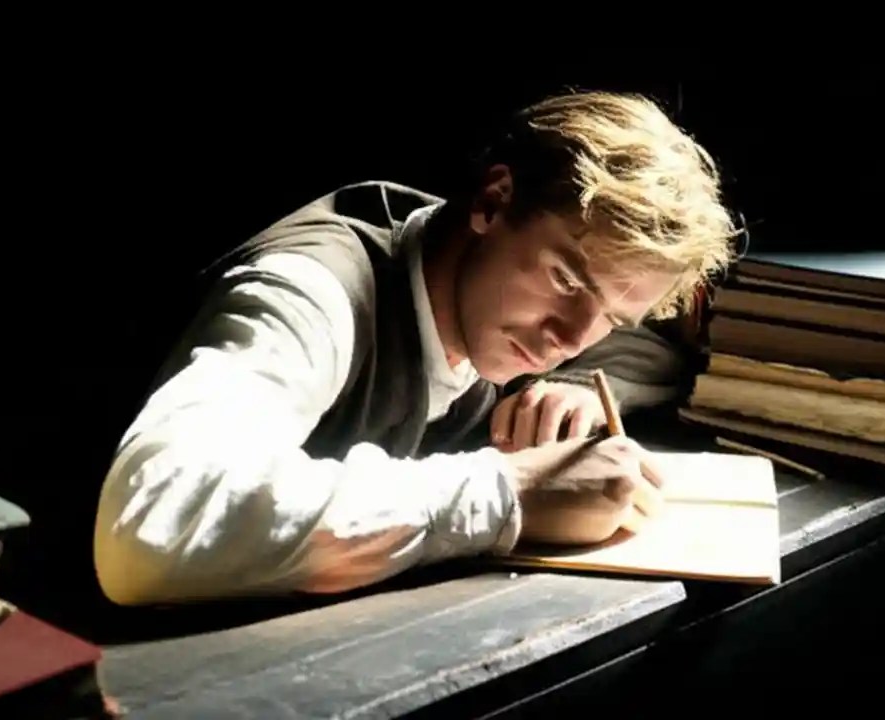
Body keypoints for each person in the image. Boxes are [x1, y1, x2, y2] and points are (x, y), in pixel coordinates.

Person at [92, 90, 739, 605]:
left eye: (611, 317)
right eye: (566, 279)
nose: (570, 338)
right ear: (492, 201)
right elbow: (151, 520)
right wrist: (504, 491)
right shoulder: (313, 292)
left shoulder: (499, 297)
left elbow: (655, 356)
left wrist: (574, 392)